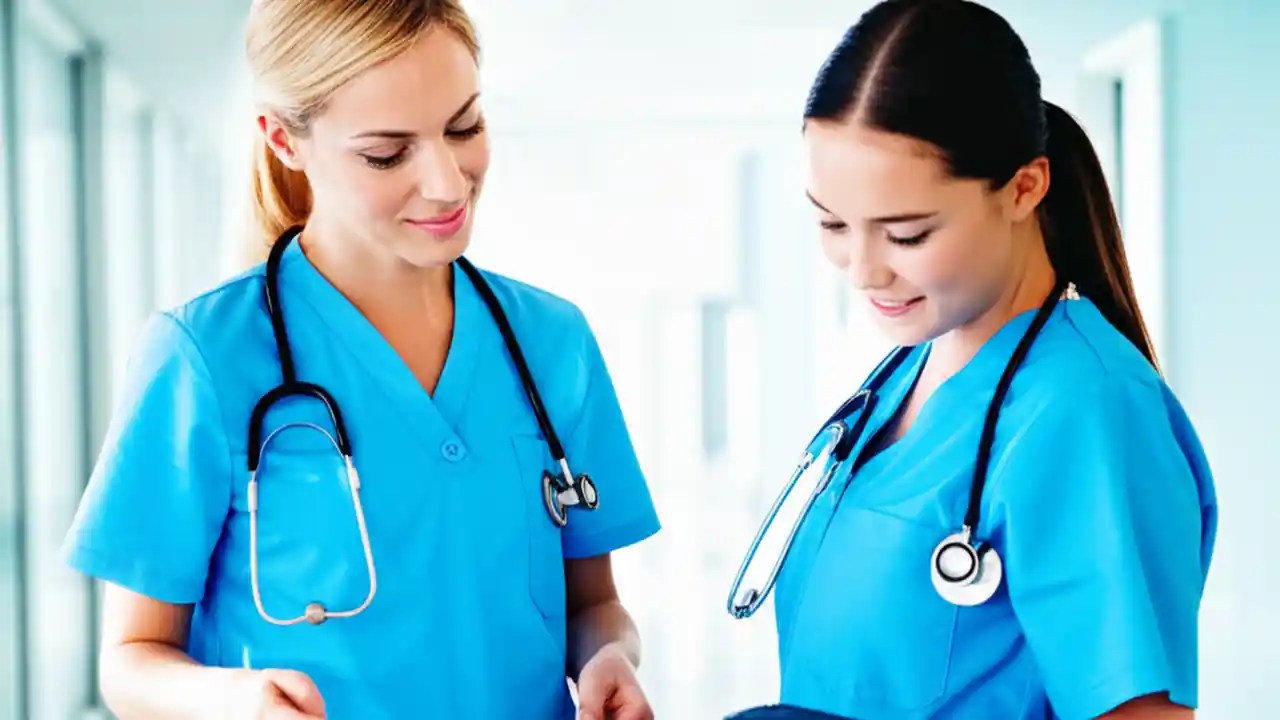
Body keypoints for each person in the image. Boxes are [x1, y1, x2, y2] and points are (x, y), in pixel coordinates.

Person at [60, 2, 659, 718]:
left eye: (463, 127)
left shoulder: (552, 342)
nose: (447, 182)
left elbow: (594, 603)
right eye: (386, 152)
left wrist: (609, 659)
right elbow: (130, 661)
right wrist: (235, 700)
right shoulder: (203, 358)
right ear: (283, 140)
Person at [736, 1, 1217, 718]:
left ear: (1025, 187)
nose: (862, 271)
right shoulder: (912, 367)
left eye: (906, 233)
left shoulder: (1087, 411)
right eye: (832, 222)